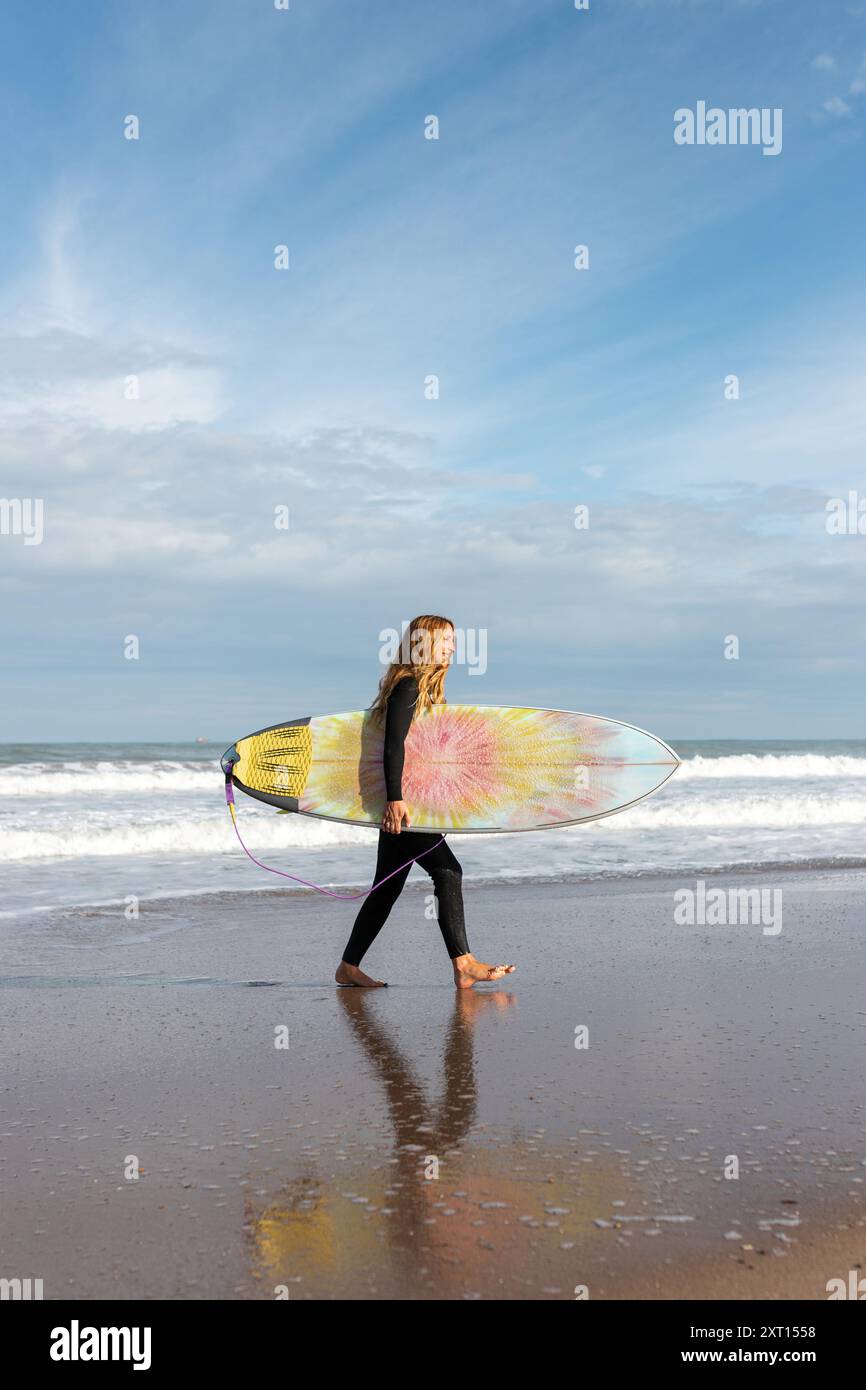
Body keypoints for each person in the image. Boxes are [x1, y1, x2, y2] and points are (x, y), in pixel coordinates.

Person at [335, 614, 516, 990]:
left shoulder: (413, 687)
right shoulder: (409, 686)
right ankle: (463, 963)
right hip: (407, 805)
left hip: (408, 800)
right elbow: (393, 744)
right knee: (448, 871)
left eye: (454, 640)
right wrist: (395, 799)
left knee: (387, 886)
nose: (453, 647)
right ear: (424, 643)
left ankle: (348, 967)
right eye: (446, 640)